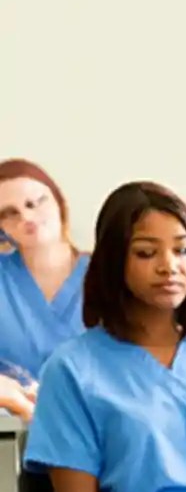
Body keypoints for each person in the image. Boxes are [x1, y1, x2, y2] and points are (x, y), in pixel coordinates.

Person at [24, 182, 186, 492]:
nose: (169, 266)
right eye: (146, 253)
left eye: (183, 250)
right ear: (113, 260)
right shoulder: (73, 368)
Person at [0, 160, 89, 384]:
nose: (27, 218)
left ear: (59, 202)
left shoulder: (111, 274)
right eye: (9, 213)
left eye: (35, 203)